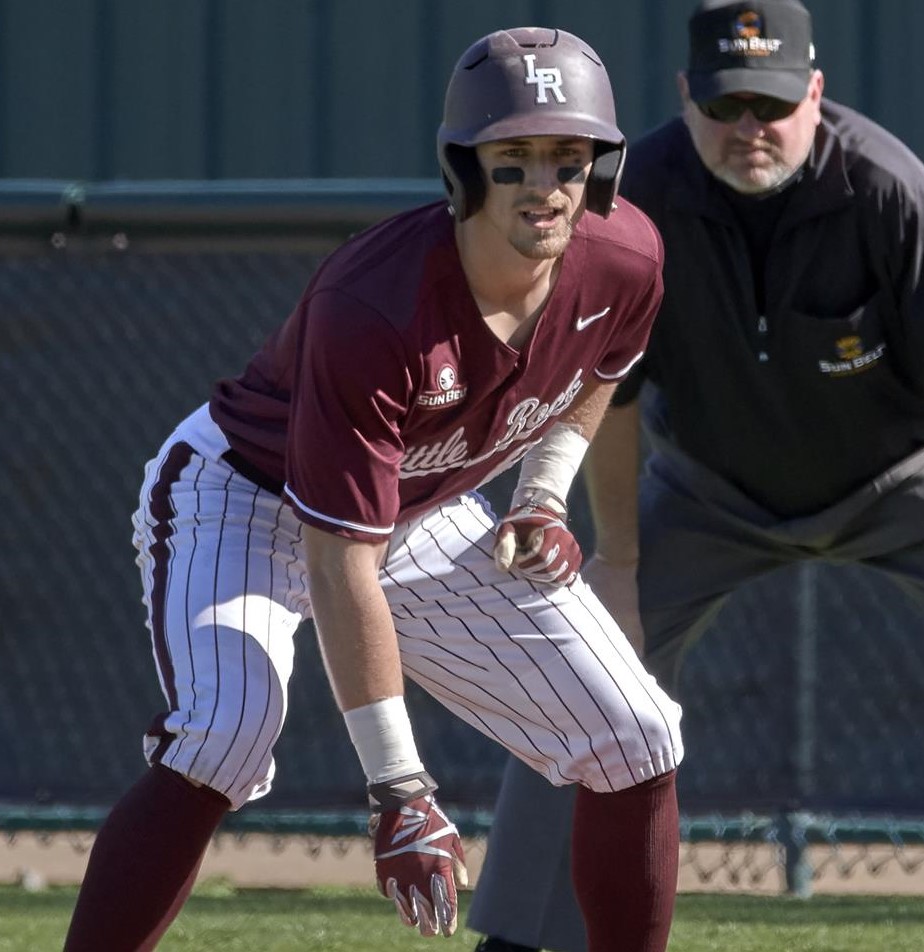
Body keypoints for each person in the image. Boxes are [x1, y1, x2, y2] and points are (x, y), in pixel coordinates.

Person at [468, 3, 924, 952]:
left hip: (908, 485)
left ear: (814, 94)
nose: (749, 127)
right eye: (724, 104)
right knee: (581, 650)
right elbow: (607, 395)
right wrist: (616, 564)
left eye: (771, 104)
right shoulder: (631, 199)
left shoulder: (887, 188)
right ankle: (529, 939)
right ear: (685, 97)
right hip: (706, 490)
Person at [61, 27, 684, 952]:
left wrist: (544, 495)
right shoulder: (375, 303)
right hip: (249, 494)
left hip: (418, 506)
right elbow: (340, 560)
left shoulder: (625, 255)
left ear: (603, 166)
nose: (544, 185)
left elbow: (598, 373)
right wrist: (400, 790)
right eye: (512, 159)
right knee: (223, 737)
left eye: (568, 157)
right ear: (463, 170)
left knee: (635, 734)